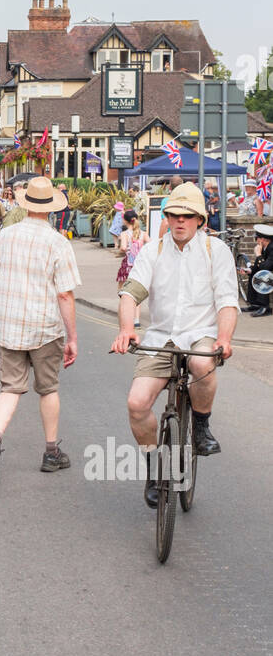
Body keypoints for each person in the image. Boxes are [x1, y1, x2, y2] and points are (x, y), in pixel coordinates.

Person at [111, 182, 238, 507]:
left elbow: (226, 300)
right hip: (160, 339)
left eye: (187, 215)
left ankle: (200, 426)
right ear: (165, 217)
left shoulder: (216, 251)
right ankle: (155, 470)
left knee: (201, 364)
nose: (179, 221)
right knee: (137, 404)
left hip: (200, 334)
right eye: (173, 215)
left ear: (200, 219)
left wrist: (223, 337)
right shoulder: (152, 251)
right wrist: (127, 329)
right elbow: (131, 293)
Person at [0, 177, 80, 485]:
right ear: (51, 209)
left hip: (10, 325)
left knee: (10, 388)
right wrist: (73, 337)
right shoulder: (58, 243)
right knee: (47, 389)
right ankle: (51, 452)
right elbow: (65, 294)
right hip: (45, 328)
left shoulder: (5, 237)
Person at [242, 224, 273, 316]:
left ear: (263, 239)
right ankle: (255, 303)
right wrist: (249, 270)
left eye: (257, 238)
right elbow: (258, 266)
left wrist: (258, 254)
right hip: (270, 271)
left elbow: (265, 268)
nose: (256, 240)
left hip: (269, 272)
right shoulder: (264, 247)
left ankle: (265, 307)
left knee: (263, 275)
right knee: (254, 274)